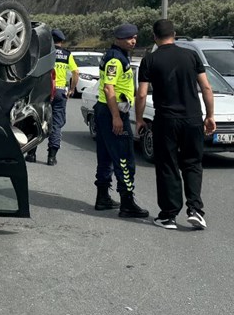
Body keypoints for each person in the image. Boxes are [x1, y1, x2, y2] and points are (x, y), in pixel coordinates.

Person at [134, 19, 216, 230]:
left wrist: (140, 119)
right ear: (175, 34)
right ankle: (196, 210)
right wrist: (210, 116)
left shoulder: (149, 60)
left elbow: (142, 94)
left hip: (166, 120)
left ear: (154, 36)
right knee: (192, 163)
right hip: (193, 118)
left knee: (167, 165)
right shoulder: (191, 56)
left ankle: (168, 215)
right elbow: (206, 88)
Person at [93, 24, 149, 218]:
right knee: (125, 158)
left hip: (106, 111)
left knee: (106, 156)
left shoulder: (118, 55)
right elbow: (109, 88)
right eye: (128, 38)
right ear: (118, 39)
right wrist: (116, 117)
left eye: (134, 37)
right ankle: (127, 203)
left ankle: (102, 198)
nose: (133, 41)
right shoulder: (116, 59)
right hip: (112, 112)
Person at [25, 29, 77, 165]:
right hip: (60, 92)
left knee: (36, 121)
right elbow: (76, 72)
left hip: (43, 92)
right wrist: (71, 89)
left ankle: (31, 154)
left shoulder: (44, 53)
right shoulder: (67, 55)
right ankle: (51, 157)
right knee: (57, 125)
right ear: (62, 41)